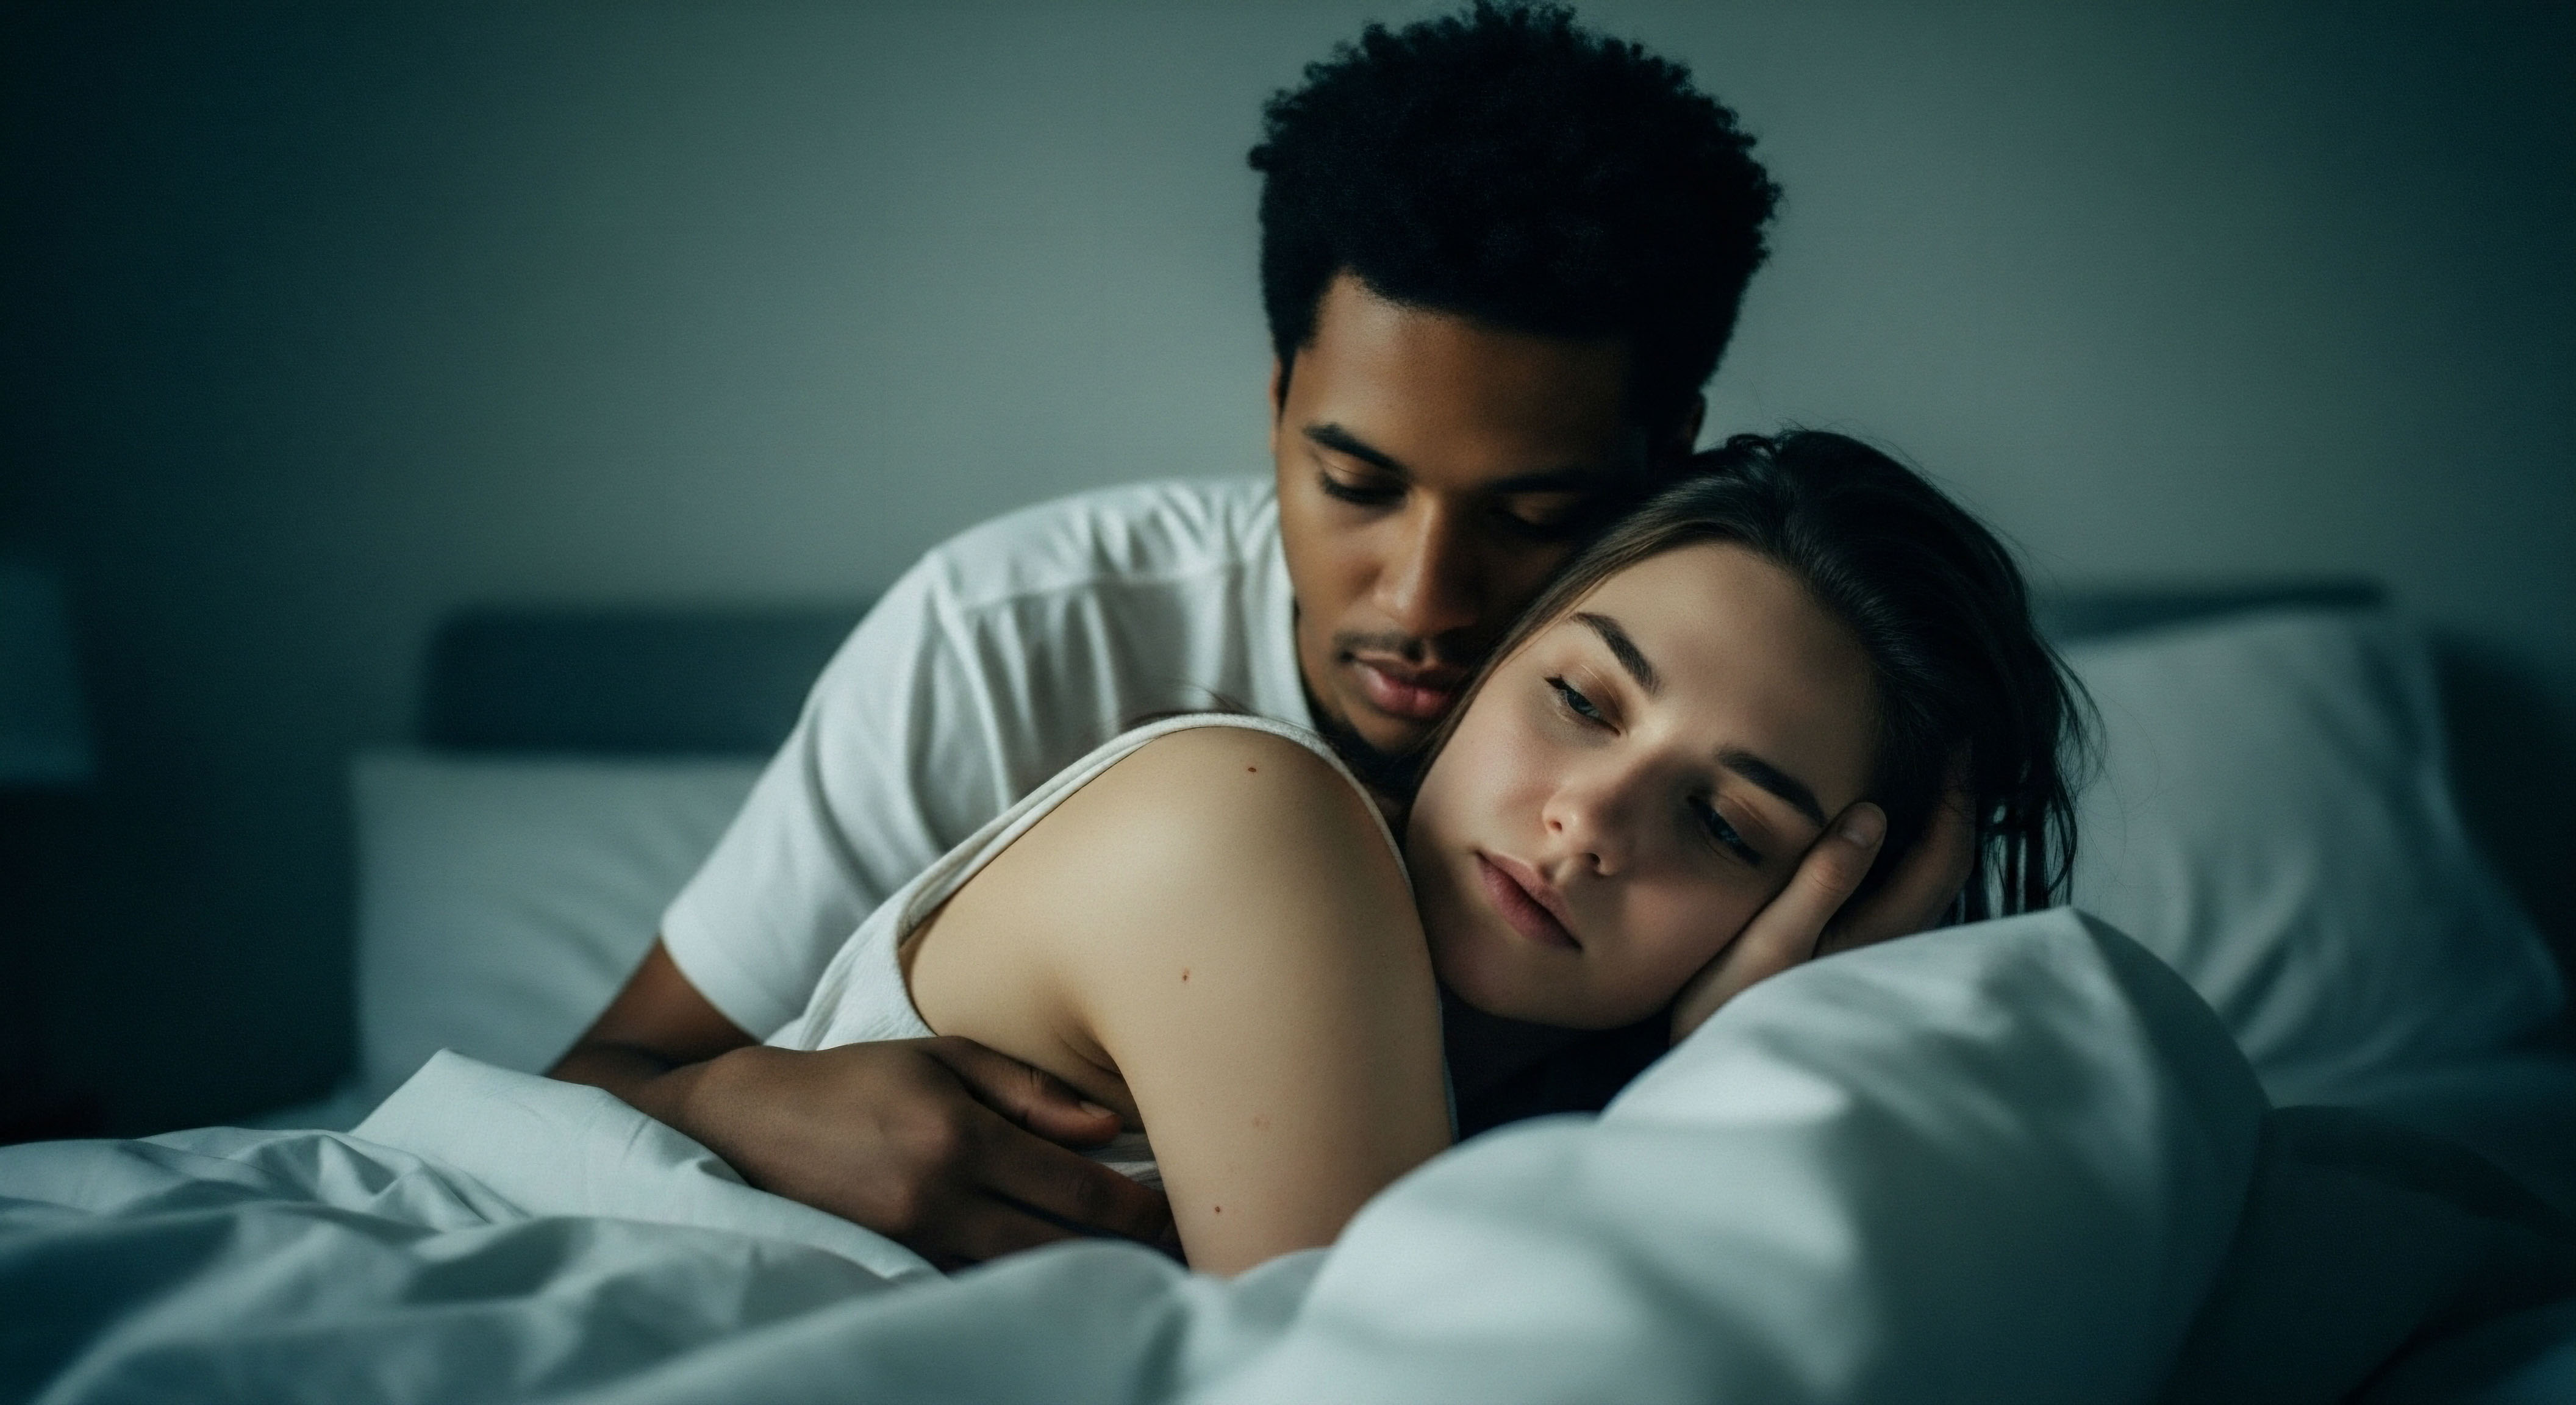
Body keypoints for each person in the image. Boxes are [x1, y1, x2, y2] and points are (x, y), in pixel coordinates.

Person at [550, 3, 1970, 1267]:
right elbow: (577, 1090)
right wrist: (728, 1105)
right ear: (1279, 400)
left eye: (1537, 515)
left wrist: (1760, 1060)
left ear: (1659, 474)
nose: (1421, 603)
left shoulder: (1721, 708)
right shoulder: (1015, 638)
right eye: (1355, 485)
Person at [766, 432, 2089, 1275]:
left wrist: (1784, 1044)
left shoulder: (1553, 1136)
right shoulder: (1255, 825)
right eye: (1580, 699)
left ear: (1824, 909)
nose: (1589, 824)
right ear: (1496, 657)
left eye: (1726, 824)